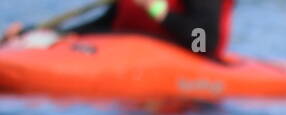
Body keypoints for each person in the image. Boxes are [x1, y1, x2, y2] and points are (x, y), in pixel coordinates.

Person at [4, 1, 233, 60]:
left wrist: (159, 11)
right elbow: (107, 25)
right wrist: (35, 34)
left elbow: (204, 43)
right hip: (126, 55)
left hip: (189, 68)